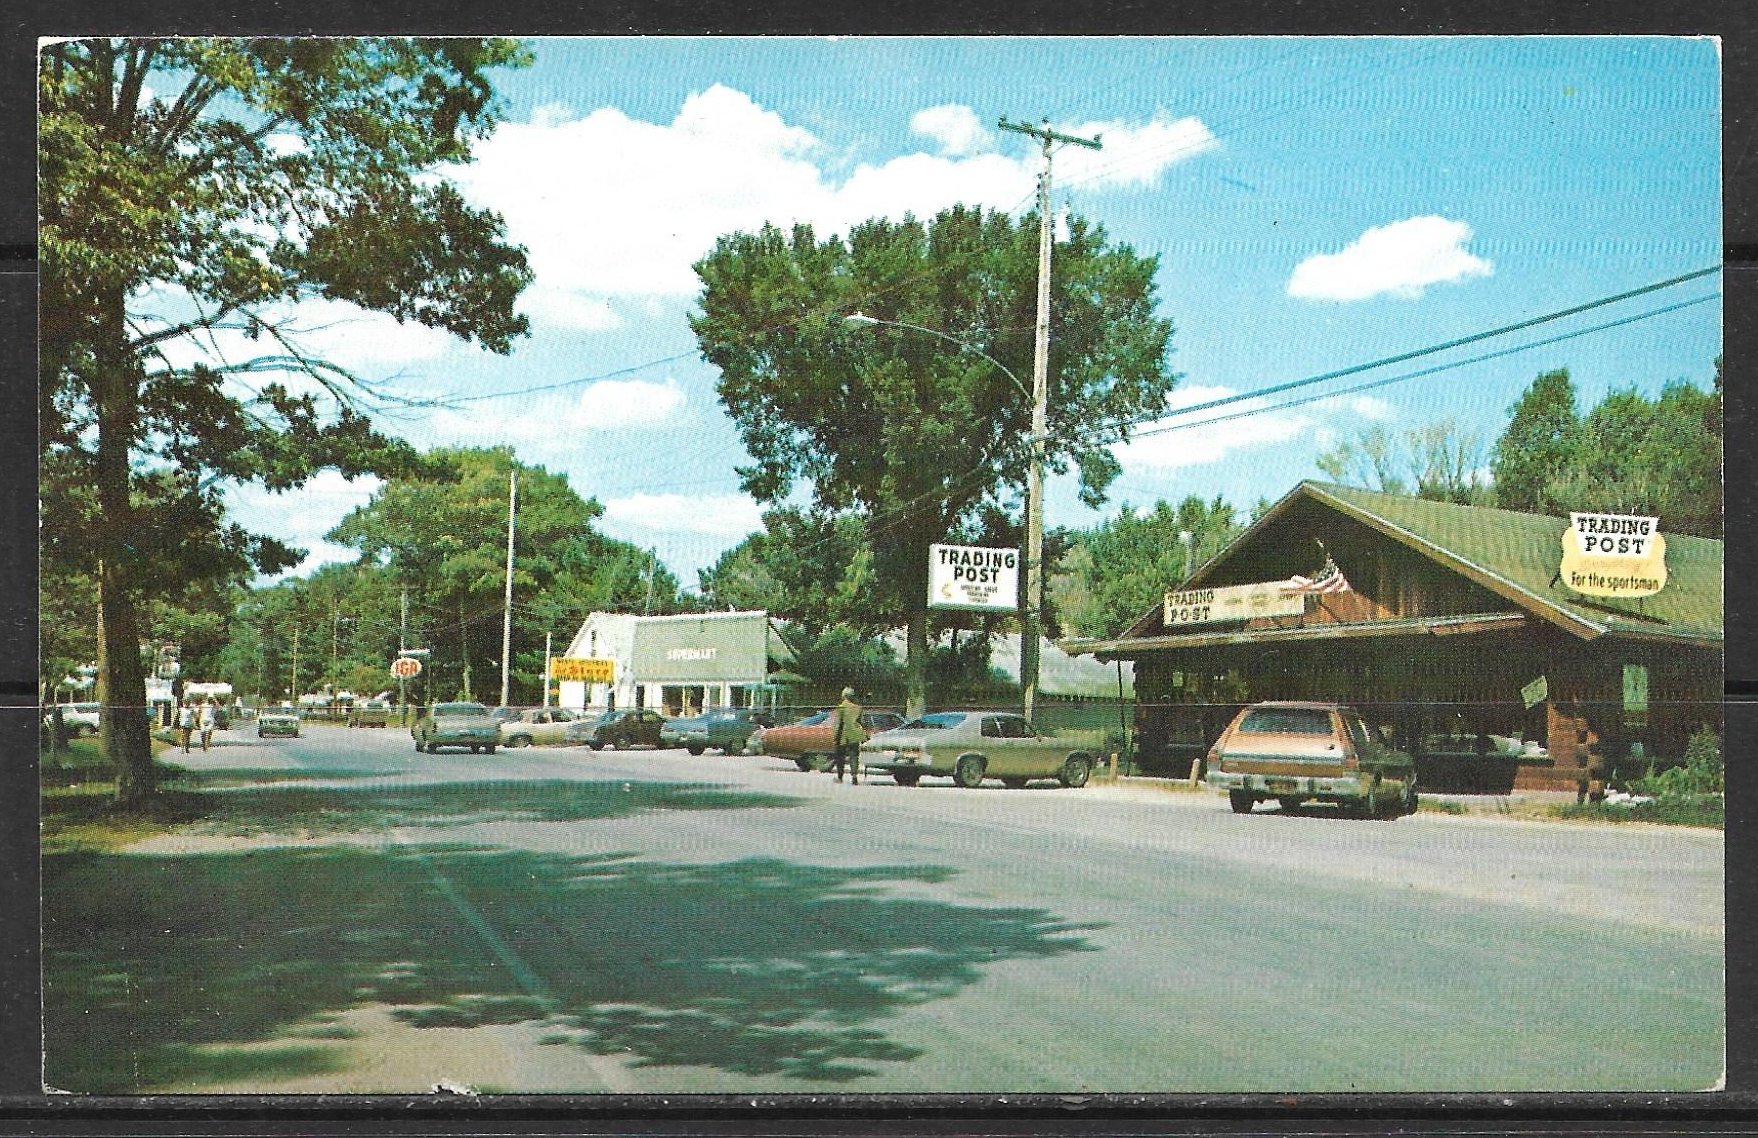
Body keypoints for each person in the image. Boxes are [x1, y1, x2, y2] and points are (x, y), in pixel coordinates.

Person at [830, 687, 867, 784]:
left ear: (844, 696)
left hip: (843, 736)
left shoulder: (841, 707)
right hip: (855, 735)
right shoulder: (858, 708)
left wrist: (835, 737)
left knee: (840, 757)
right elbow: (862, 723)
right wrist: (864, 736)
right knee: (854, 756)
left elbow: (838, 724)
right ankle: (854, 777)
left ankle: (840, 777)